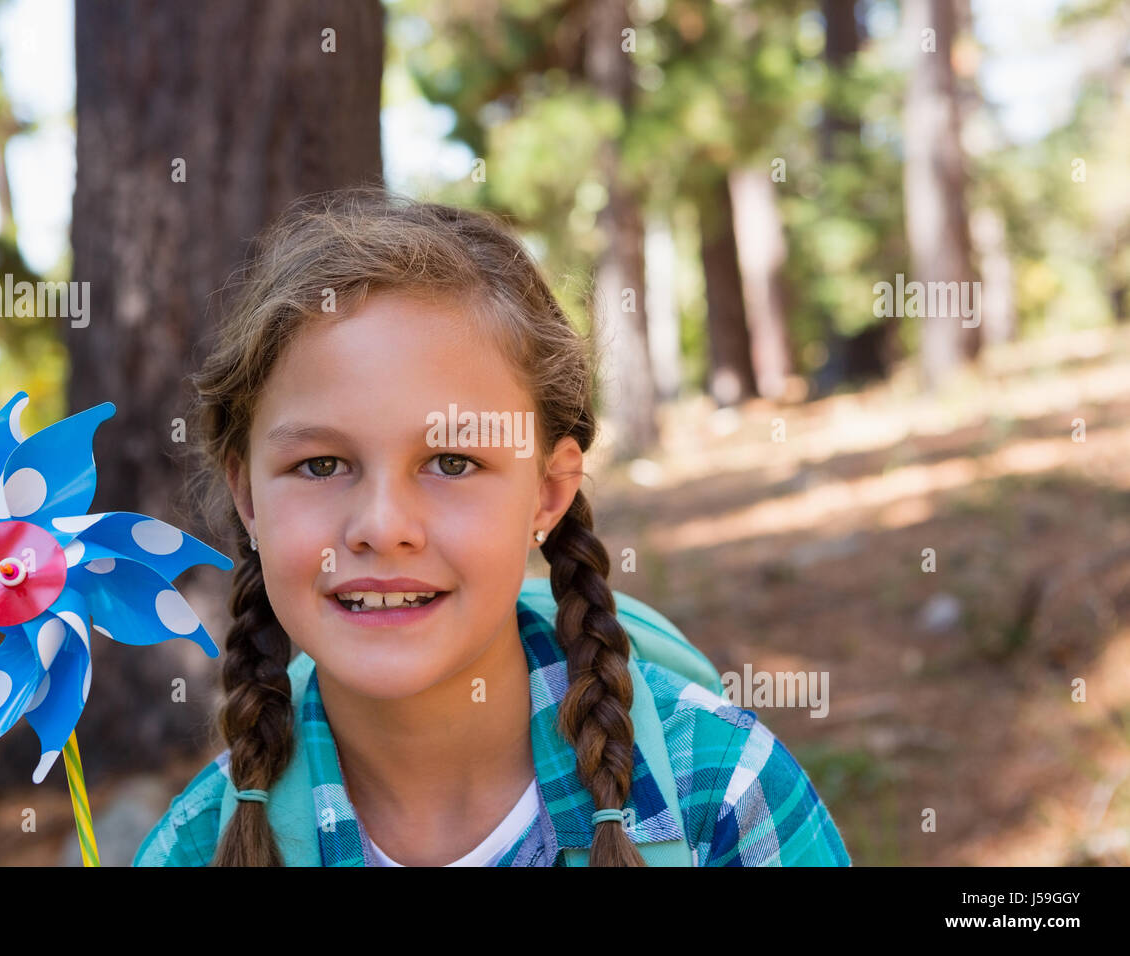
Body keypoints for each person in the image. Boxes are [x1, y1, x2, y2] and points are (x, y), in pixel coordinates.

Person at [133, 185, 850, 867]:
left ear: (547, 493)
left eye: (450, 460)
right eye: (321, 465)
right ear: (248, 497)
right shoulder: (193, 848)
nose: (383, 528)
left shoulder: (722, 795)